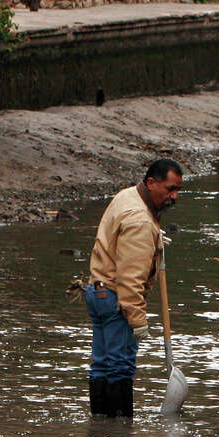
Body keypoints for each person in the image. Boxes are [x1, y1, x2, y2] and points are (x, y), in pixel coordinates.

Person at [85, 158, 183, 419]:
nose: (174, 196)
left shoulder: (128, 196)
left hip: (97, 292)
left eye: (177, 190)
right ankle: (120, 434)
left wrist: (154, 237)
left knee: (102, 366)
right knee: (120, 368)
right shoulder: (140, 221)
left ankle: (99, 428)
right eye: (170, 189)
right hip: (116, 299)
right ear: (151, 183)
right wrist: (138, 321)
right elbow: (130, 280)